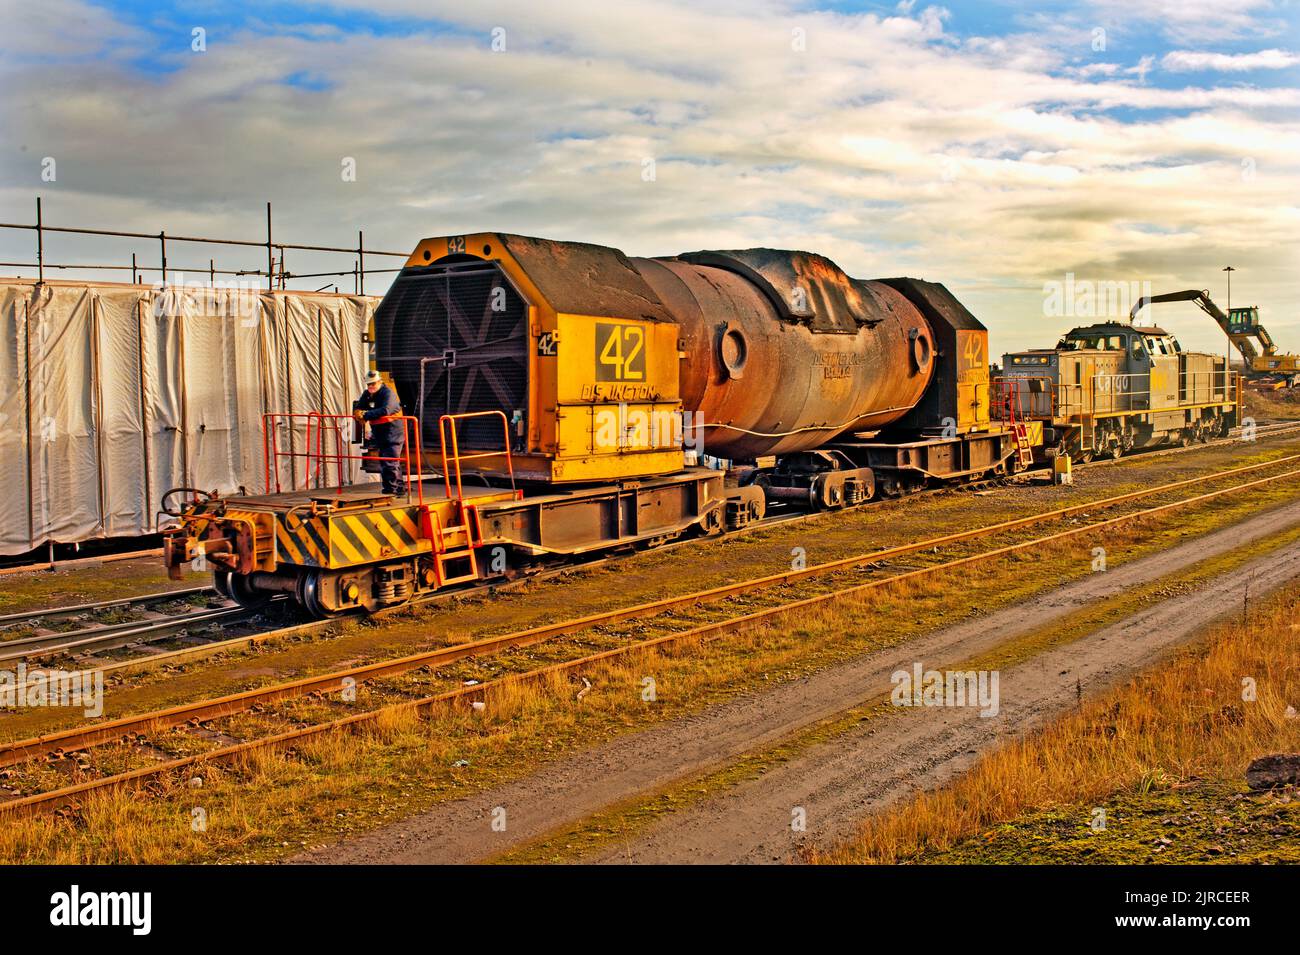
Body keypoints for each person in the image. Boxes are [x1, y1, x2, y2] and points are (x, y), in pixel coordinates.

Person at [353, 371, 407, 495]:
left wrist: (365, 415)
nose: (370, 386)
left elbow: (386, 410)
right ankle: (398, 488)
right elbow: (359, 406)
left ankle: (391, 490)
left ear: (380, 382)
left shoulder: (388, 393)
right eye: (368, 384)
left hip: (393, 433)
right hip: (380, 433)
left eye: (373, 384)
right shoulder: (368, 394)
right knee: (389, 460)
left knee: (389, 461)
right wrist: (358, 412)